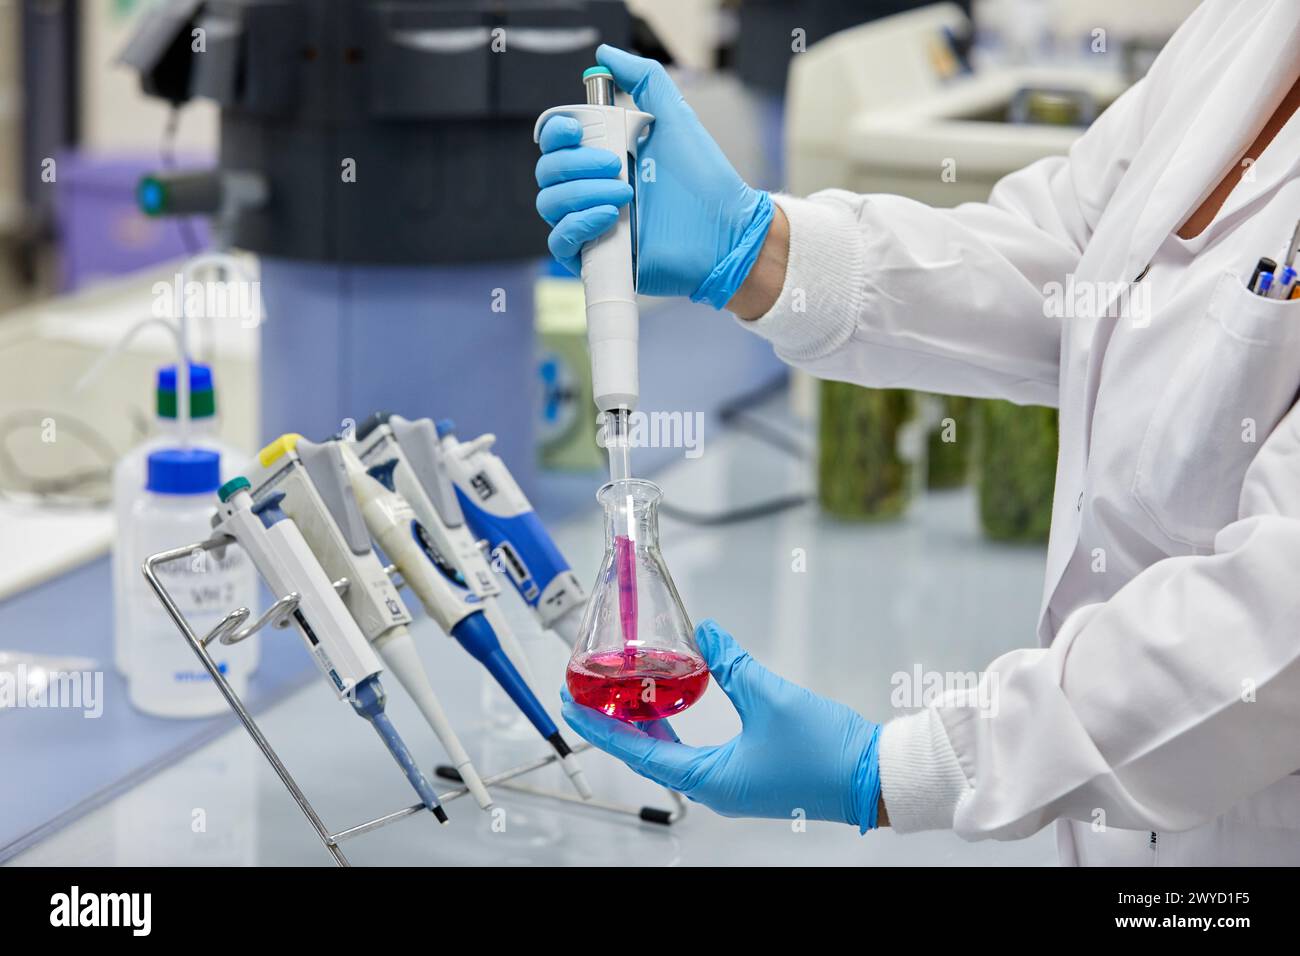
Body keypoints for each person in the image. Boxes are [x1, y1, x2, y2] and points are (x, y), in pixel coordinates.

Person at [537, 0, 1300, 865]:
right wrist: (759, 250)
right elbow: (1066, 261)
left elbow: (1278, 625)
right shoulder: (1252, 22)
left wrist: (896, 770)